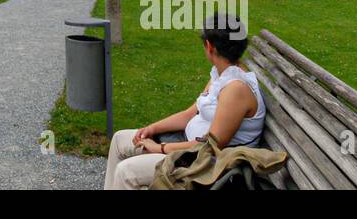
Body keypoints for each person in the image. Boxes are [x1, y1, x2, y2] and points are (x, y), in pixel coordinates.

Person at [105, 14, 265, 190]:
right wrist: (152, 128)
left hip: (203, 164)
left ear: (209, 47)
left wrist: (160, 148)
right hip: (187, 146)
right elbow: (189, 114)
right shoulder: (222, 74)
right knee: (120, 139)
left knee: (126, 172)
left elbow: (209, 146)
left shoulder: (236, 89)